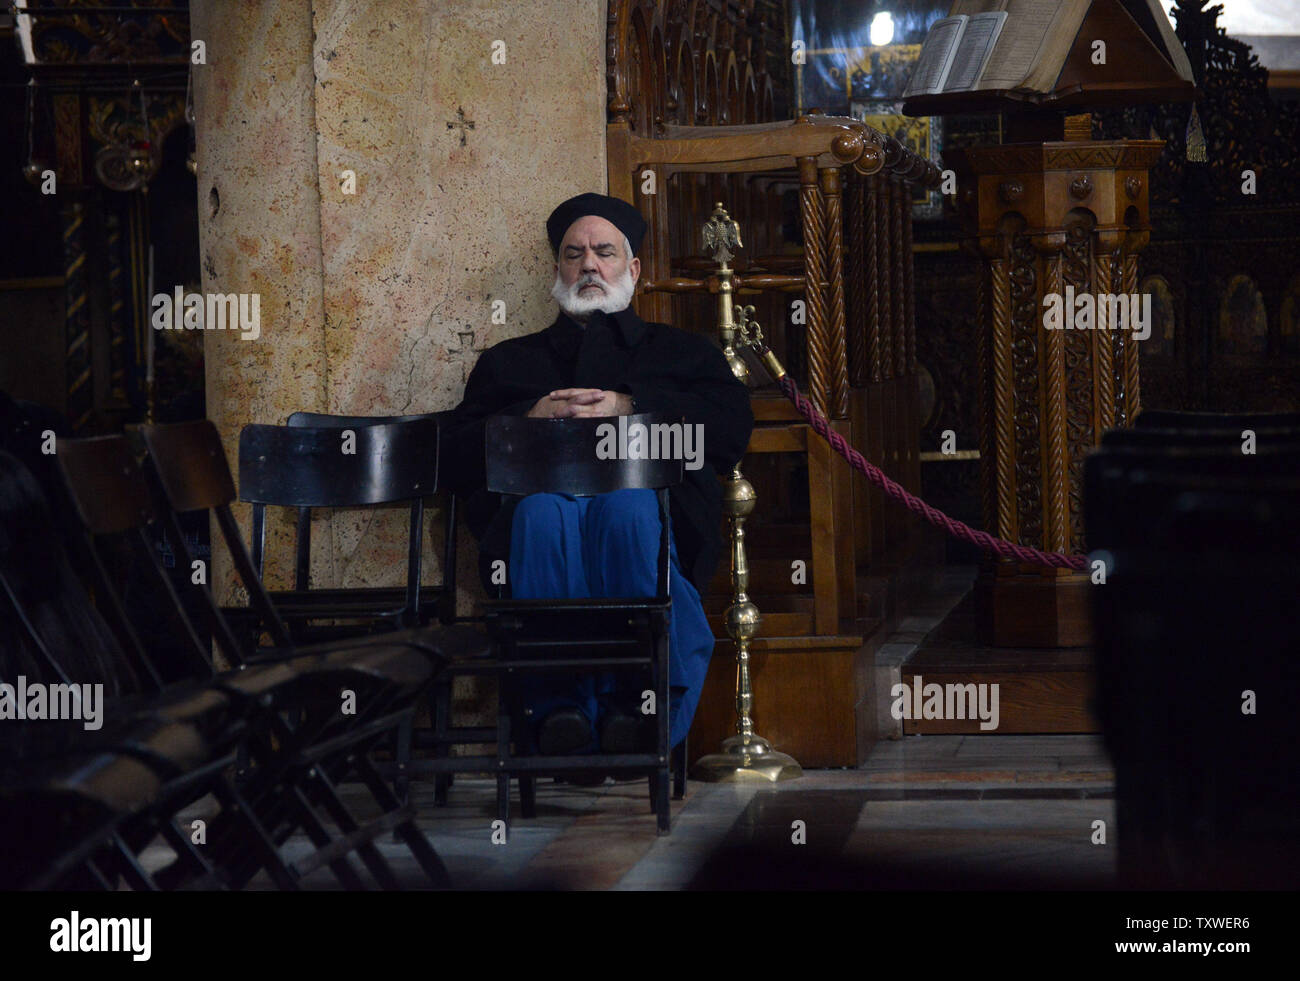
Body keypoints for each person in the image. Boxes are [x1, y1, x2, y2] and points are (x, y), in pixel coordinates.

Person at [441, 192, 753, 760]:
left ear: (631, 268)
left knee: (628, 509)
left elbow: (730, 428)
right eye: (574, 254)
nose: (589, 265)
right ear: (557, 269)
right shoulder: (509, 364)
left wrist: (631, 406)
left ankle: (637, 707)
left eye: (604, 252)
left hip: (648, 526)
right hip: (536, 530)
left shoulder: (681, 354)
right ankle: (557, 709)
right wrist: (526, 419)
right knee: (541, 513)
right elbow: (456, 449)